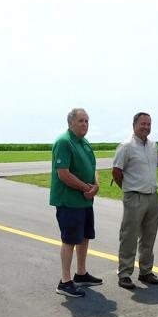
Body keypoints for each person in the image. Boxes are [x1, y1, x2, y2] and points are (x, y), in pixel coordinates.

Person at [50, 108, 103, 297]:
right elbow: (63, 174)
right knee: (69, 240)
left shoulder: (84, 142)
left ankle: (81, 274)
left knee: (85, 237)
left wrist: (96, 185)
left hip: (85, 202)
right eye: (81, 121)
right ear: (71, 122)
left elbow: (93, 168)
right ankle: (65, 281)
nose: (85, 124)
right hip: (69, 201)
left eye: (87, 121)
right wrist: (85, 188)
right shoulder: (64, 142)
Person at [113, 112, 158, 290]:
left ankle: (146, 271)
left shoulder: (153, 146)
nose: (146, 127)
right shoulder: (126, 146)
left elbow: (153, 168)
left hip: (152, 196)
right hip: (134, 196)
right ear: (134, 124)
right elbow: (116, 172)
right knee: (129, 236)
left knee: (149, 236)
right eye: (143, 124)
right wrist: (128, 190)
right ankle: (124, 273)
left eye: (149, 124)